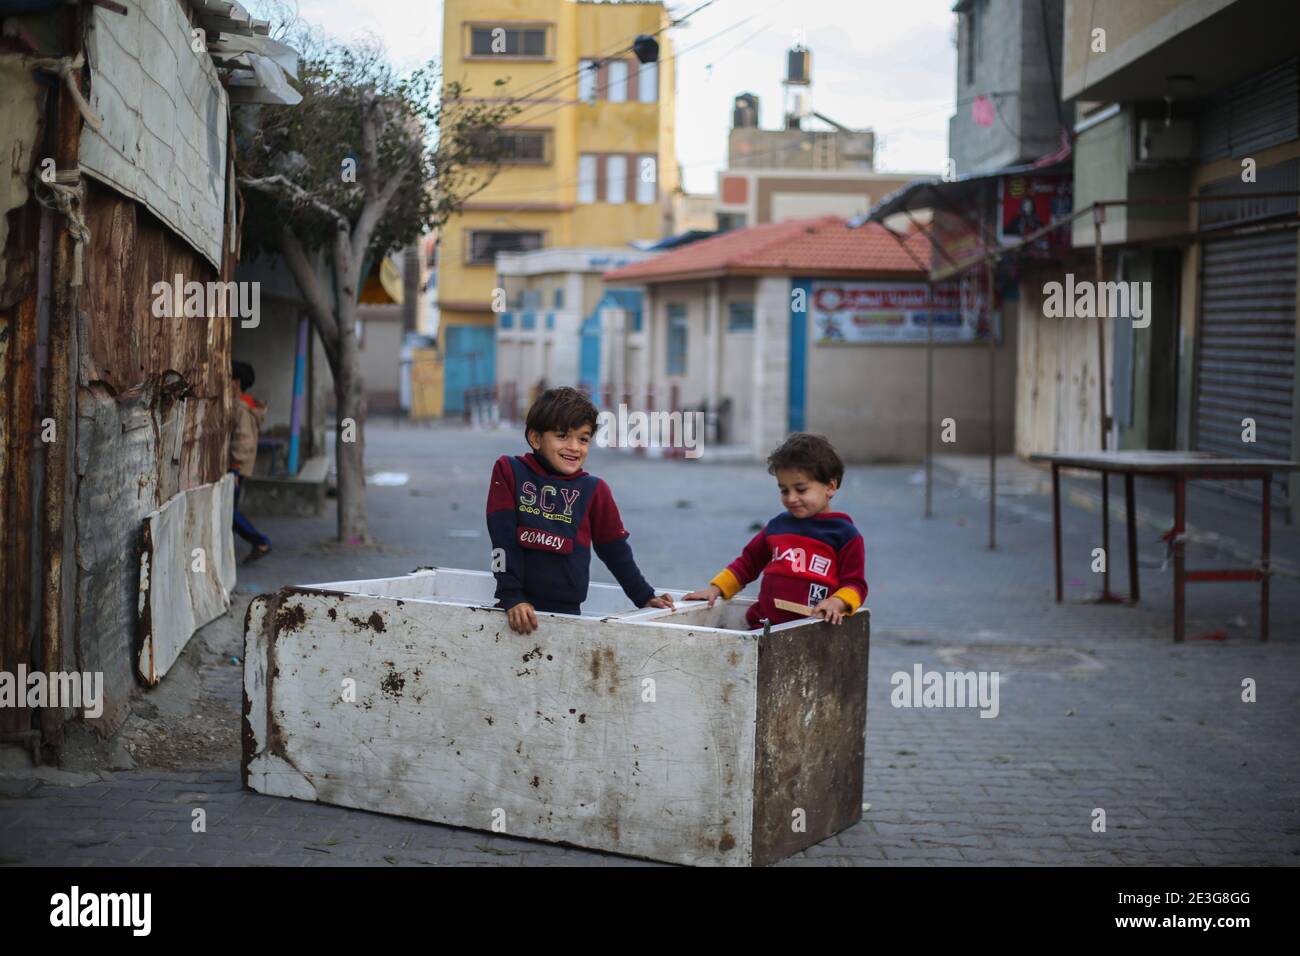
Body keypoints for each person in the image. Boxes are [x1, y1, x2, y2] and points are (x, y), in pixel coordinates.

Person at [485, 386, 674, 634]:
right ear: (535, 438)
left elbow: (615, 551)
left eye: (583, 439)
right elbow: (502, 540)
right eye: (562, 436)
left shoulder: (594, 490)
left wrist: (644, 595)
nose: (574, 447)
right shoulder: (509, 471)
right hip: (515, 611)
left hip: (568, 615)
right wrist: (512, 596)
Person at [683, 433, 867, 628]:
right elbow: (748, 563)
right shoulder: (777, 527)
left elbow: (855, 584)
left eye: (801, 489)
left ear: (830, 486)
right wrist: (716, 589)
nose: (791, 498)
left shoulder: (845, 535)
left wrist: (837, 602)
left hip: (813, 630)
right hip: (763, 627)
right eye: (784, 490)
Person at [230, 360, 271, 563]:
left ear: (236, 382)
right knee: (230, 512)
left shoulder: (241, 408)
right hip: (240, 467)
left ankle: (261, 541)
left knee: (228, 512)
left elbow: (242, 440)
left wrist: (234, 467)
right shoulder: (248, 404)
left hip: (235, 468)